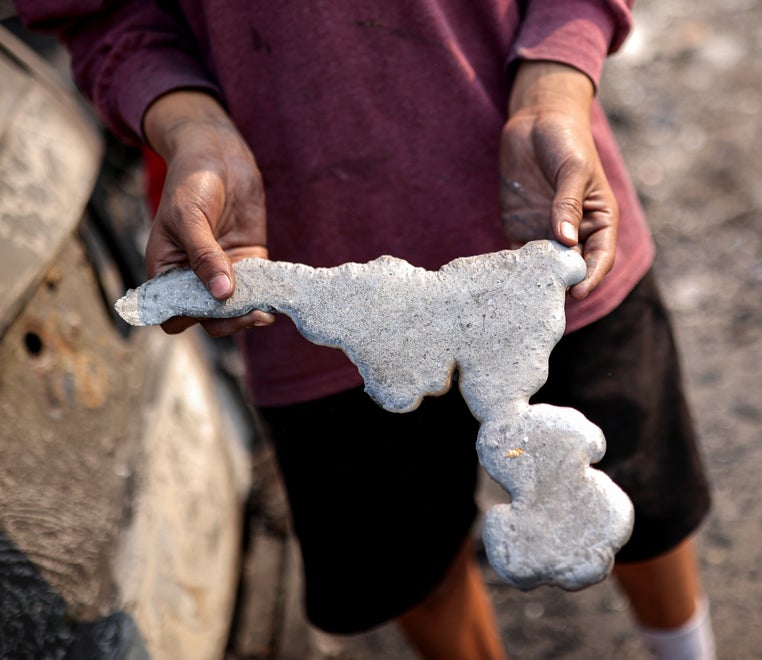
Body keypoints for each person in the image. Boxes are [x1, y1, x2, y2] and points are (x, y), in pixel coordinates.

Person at [19, 2, 715, 657]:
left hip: (546, 232)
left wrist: (555, 85)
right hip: (303, 282)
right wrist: (190, 126)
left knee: (641, 502)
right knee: (412, 569)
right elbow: (100, 9)